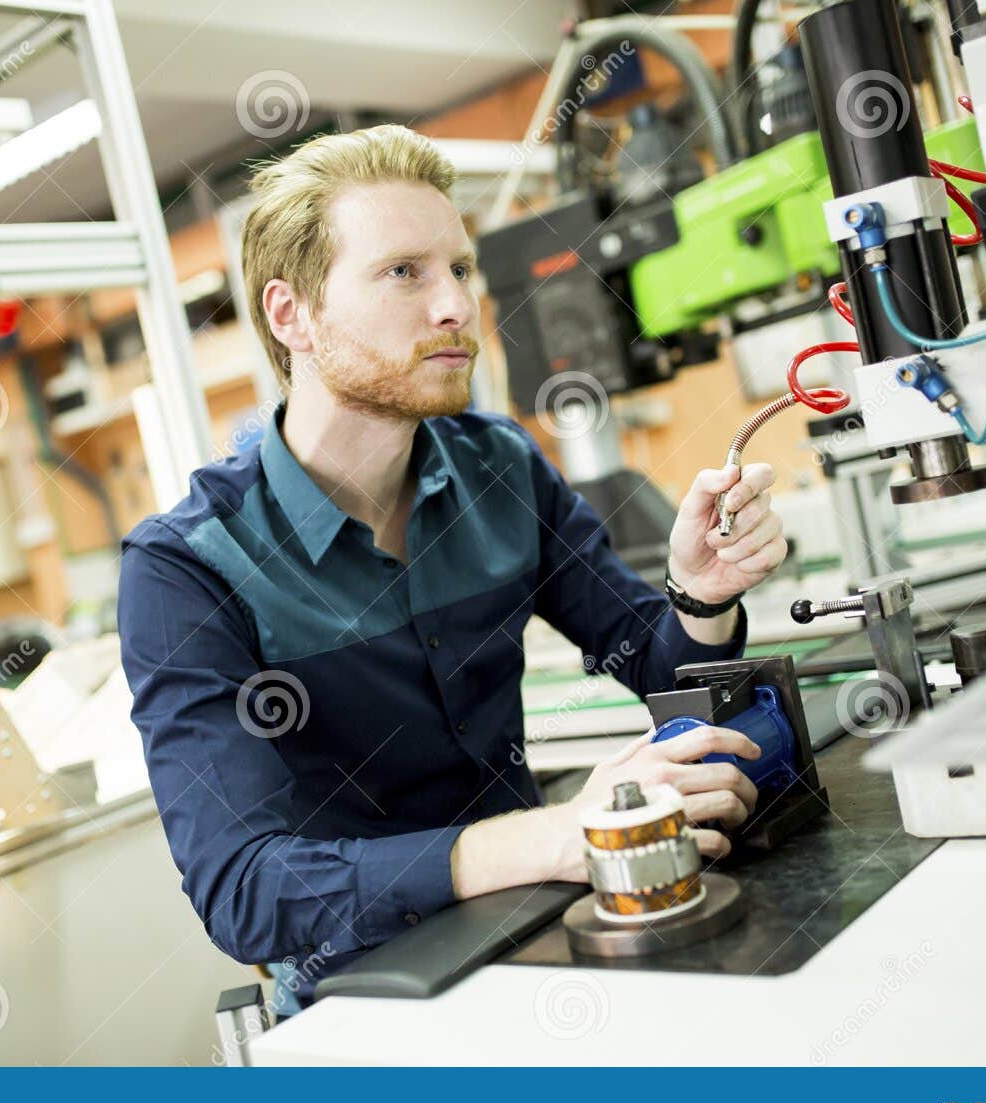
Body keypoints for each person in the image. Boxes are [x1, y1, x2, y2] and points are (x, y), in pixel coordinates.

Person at [118, 125, 786, 999]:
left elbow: (656, 667)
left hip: (544, 925)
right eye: (404, 272)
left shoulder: (498, 466)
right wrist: (549, 835)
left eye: (460, 269)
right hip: (367, 991)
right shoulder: (187, 568)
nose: (456, 307)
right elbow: (246, 888)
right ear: (292, 316)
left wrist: (699, 595)